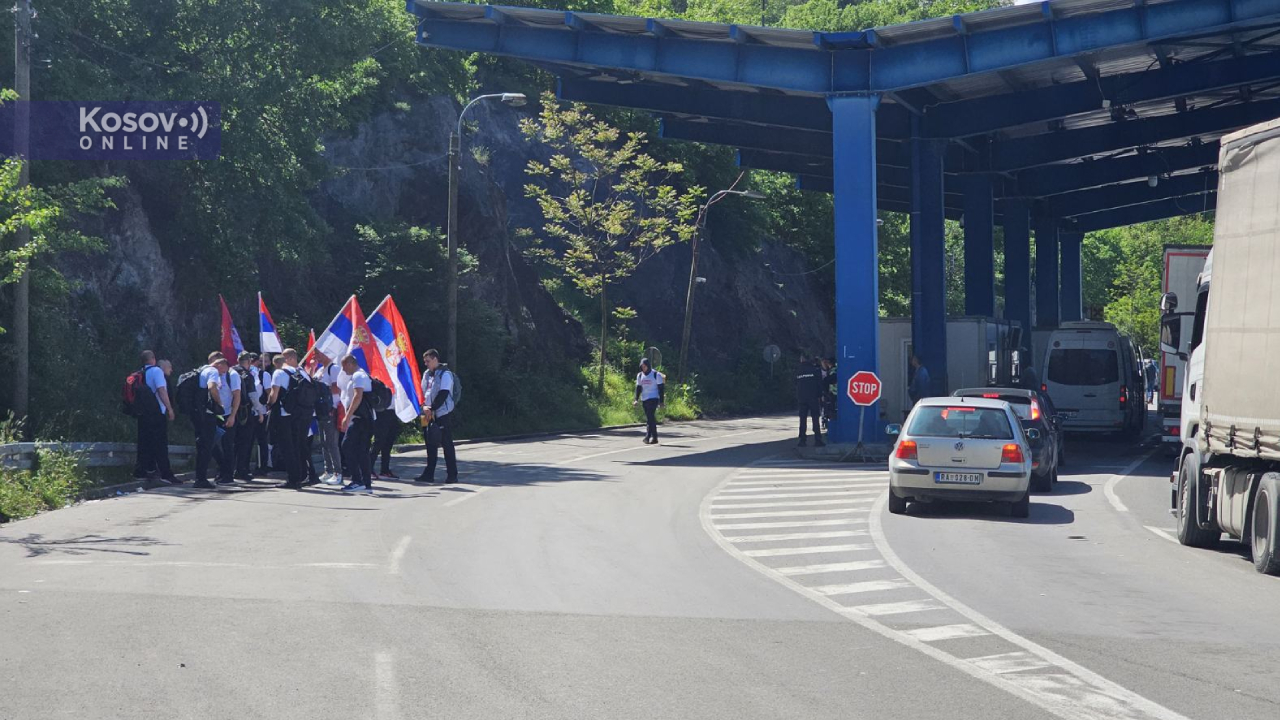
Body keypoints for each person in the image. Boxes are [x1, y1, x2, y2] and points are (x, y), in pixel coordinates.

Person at [133, 350, 178, 485]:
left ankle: (142, 471)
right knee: (160, 444)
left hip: (143, 413)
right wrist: (169, 409)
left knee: (144, 443)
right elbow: (161, 390)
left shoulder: (140, 373)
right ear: (153, 359)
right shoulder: (157, 371)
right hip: (156, 412)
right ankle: (166, 473)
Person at [415, 349, 458, 485]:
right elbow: (422, 392)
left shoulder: (446, 374)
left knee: (446, 444)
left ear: (435, 359)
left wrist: (432, 408)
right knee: (430, 444)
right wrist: (424, 407)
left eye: (428, 361)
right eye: (425, 361)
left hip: (442, 414)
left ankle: (452, 475)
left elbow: (443, 394)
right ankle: (429, 474)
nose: (426, 364)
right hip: (427, 414)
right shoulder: (427, 374)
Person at [191, 353, 234, 489]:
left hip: (198, 413)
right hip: (208, 413)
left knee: (203, 444)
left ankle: (201, 476)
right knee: (207, 446)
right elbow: (212, 388)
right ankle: (201, 479)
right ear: (220, 365)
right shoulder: (213, 371)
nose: (223, 374)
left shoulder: (201, 370)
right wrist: (219, 404)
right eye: (224, 370)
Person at [267, 348, 306, 490]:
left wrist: (269, 405)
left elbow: (274, 394)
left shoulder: (279, 373)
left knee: (286, 448)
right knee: (296, 446)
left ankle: (293, 479)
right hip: (298, 414)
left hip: (283, 414)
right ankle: (300, 476)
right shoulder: (300, 372)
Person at [337, 353, 375, 494]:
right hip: (361, 419)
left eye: (344, 366)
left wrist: (347, 417)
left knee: (347, 446)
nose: (343, 370)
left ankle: (358, 480)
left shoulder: (359, 376)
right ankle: (365, 483)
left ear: (350, 364)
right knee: (361, 451)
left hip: (360, 419)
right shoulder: (358, 376)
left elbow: (358, 396)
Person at [313, 358, 343, 485]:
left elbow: (338, 388)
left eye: (318, 352)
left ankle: (338, 472)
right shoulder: (319, 370)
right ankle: (328, 470)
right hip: (320, 410)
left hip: (331, 409)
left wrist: (322, 390)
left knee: (331, 442)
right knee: (323, 442)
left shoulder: (334, 368)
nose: (315, 354)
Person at [233, 352, 261, 481]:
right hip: (244, 412)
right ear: (249, 362)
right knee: (245, 443)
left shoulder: (231, 371)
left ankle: (229, 469)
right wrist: (260, 412)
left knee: (232, 442)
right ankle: (241, 470)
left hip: (230, 411)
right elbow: (253, 396)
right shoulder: (247, 375)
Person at [632, 358, 665, 444]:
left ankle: (648, 436)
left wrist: (661, 402)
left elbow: (661, 389)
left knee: (650, 416)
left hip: (654, 398)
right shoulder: (640, 375)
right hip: (644, 398)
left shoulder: (656, 375)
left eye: (645, 366)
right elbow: (638, 388)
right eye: (642, 367)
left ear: (648, 365)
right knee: (650, 418)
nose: (643, 368)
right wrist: (636, 399)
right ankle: (655, 437)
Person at [795, 354, 824, 447]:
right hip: (813, 397)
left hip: (801, 398)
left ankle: (802, 440)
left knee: (802, 419)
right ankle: (818, 439)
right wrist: (821, 395)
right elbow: (819, 384)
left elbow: (795, 383)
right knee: (815, 418)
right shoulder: (815, 370)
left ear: (802, 359)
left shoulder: (798, 370)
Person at [369, 397, 400, 480]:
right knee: (379, 442)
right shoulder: (380, 384)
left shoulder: (397, 383)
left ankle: (385, 470)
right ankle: (369, 469)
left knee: (389, 443)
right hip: (382, 411)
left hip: (393, 411)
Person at [820, 357, 838, 428]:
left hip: (833, 394)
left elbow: (829, 380)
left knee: (831, 411)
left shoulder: (833, 371)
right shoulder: (831, 370)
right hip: (832, 393)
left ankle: (830, 425)